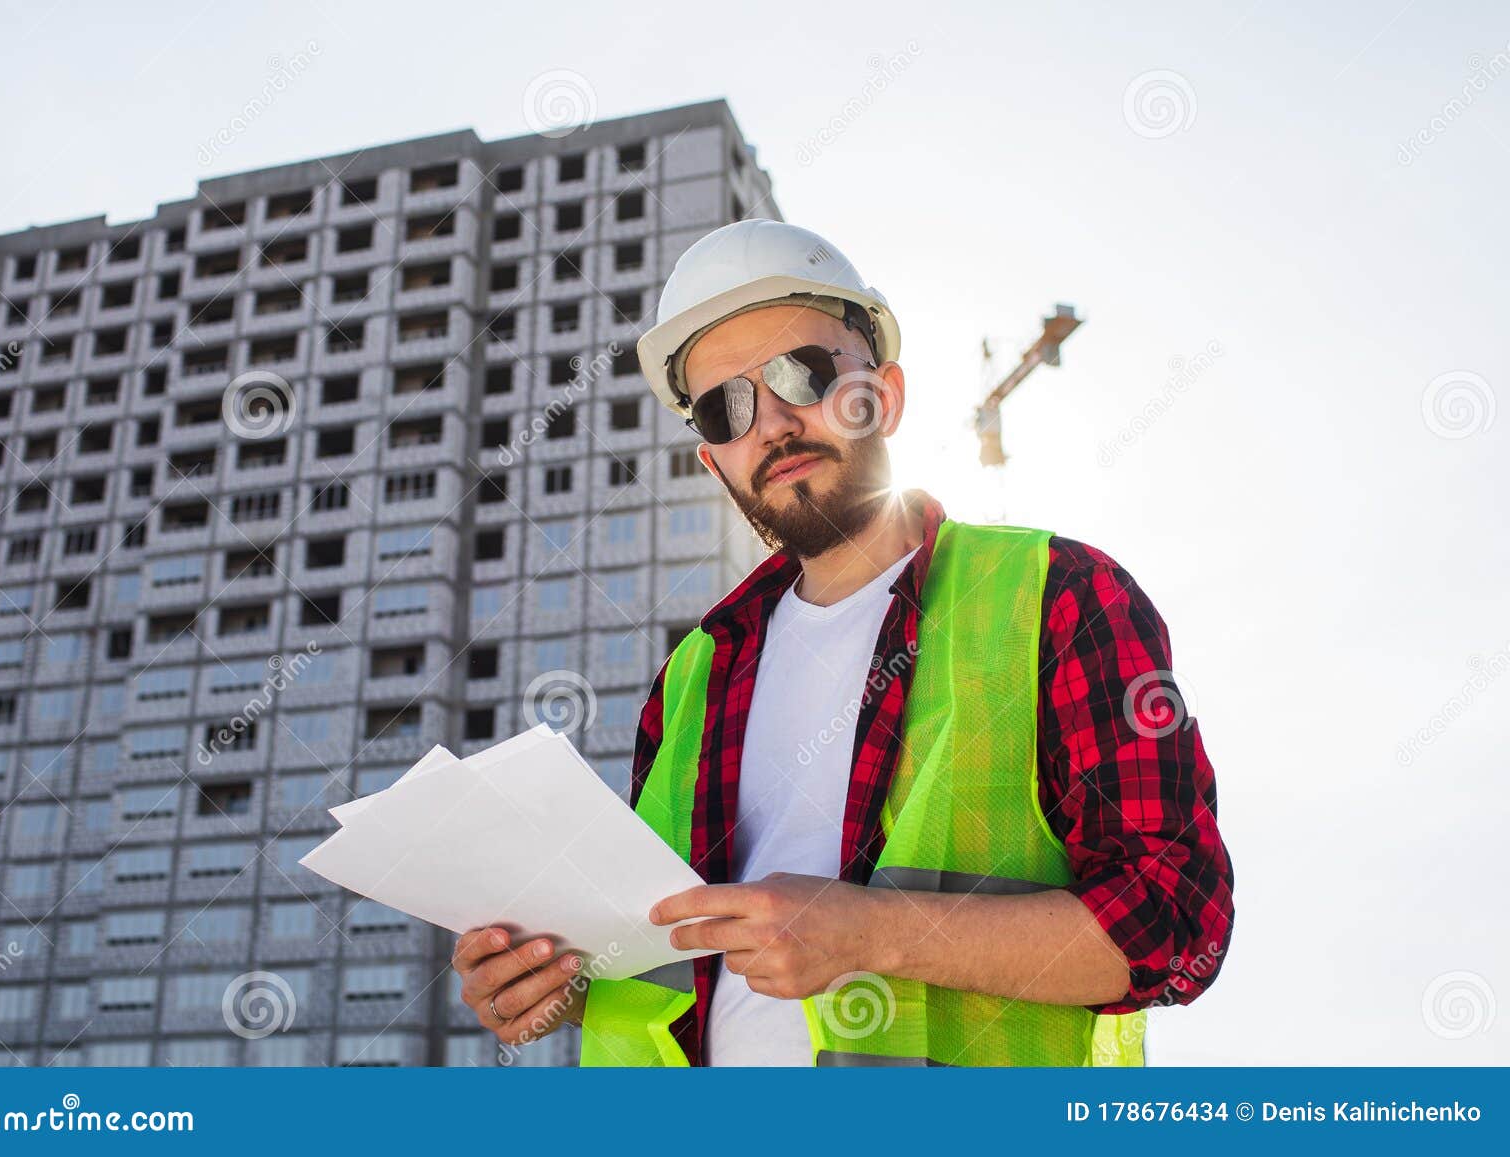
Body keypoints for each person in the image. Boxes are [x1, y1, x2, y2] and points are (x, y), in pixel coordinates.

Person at [453, 220, 1234, 1066]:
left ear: (885, 396)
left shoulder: (1056, 595)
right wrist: (556, 982)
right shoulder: (692, 680)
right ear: (714, 462)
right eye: (726, 405)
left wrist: (872, 933)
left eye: (804, 372)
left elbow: (1179, 921)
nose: (773, 421)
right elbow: (674, 966)